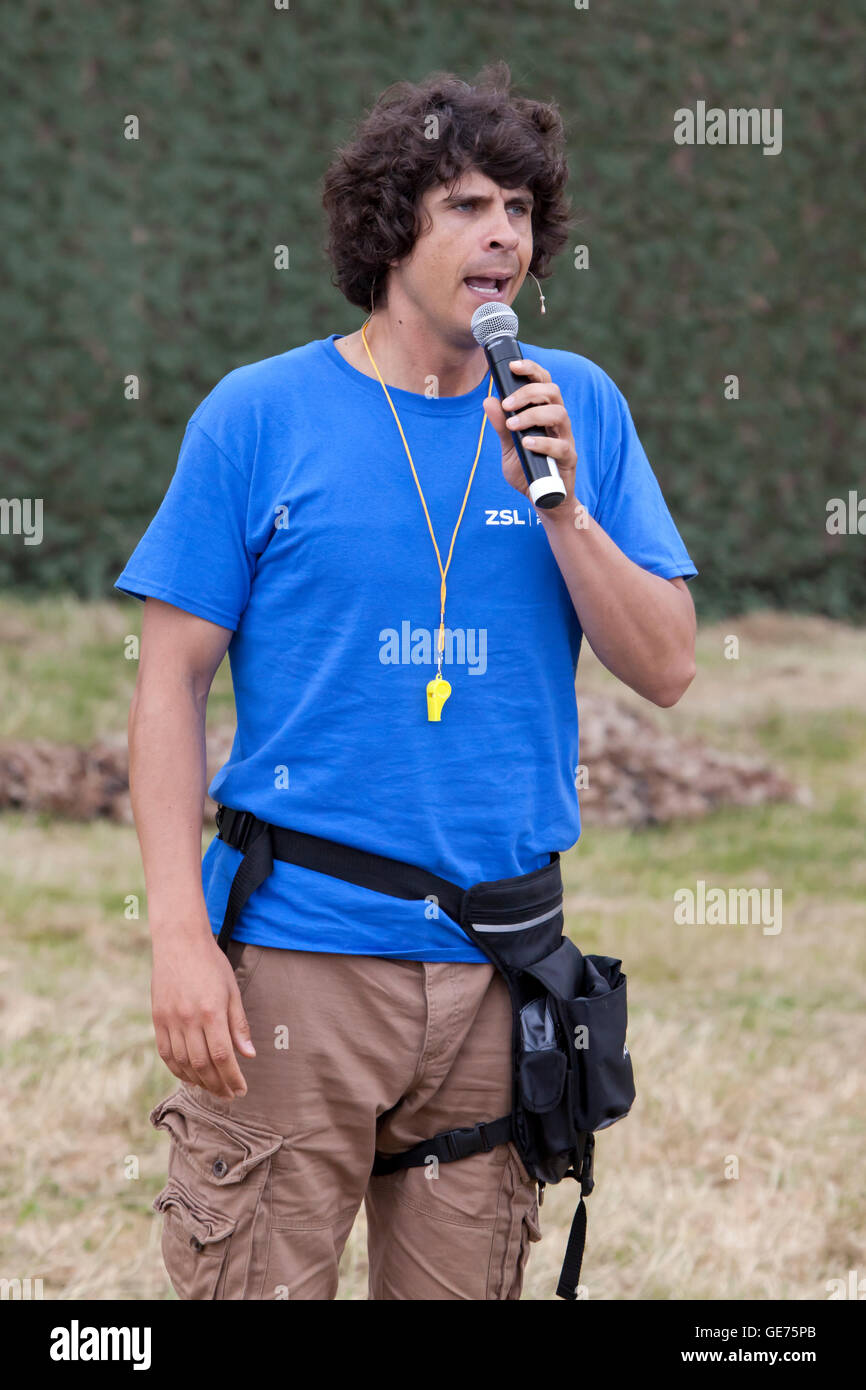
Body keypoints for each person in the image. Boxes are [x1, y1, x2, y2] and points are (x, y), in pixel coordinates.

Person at [116, 61, 697, 1301]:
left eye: (521, 213)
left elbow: (666, 666)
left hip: (499, 968)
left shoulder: (574, 407)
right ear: (392, 231)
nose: (503, 235)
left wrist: (562, 513)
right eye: (467, 206)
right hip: (295, 959)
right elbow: (168, 686)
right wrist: (175, 931)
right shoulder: (257, 416)